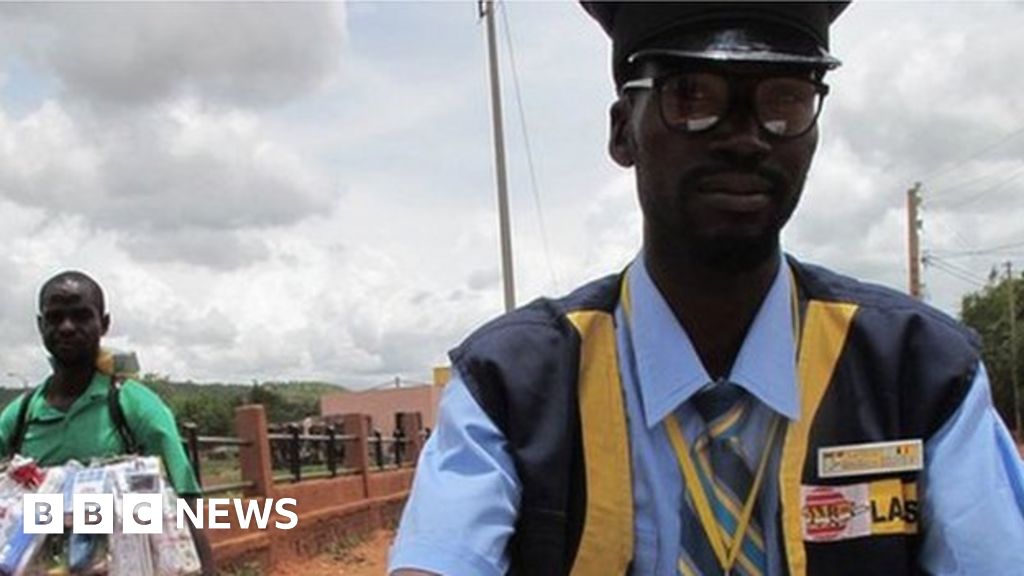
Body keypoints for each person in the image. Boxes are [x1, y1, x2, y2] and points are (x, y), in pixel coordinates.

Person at [389, 2, 1024, 575]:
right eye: (692, 96)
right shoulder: (512, 385)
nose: (746, 137)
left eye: (784, 100)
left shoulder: (921, 374)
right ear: (621, 132)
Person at [0, 270, 214, 574]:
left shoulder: (134, 406)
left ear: (104, 323)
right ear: (40, 325)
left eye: (81, 316)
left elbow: (184, 503)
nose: (67, 327)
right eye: (55, 317)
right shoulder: (19, 416)